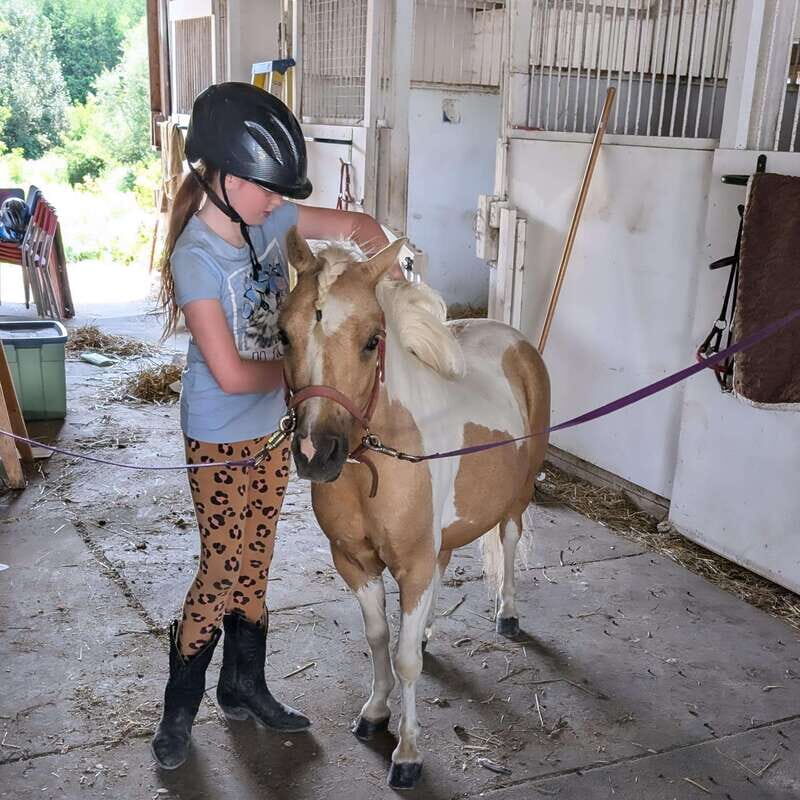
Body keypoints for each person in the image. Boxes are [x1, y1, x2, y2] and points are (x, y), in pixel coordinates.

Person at [151, 81, 401, 769]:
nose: (277, 204)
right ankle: (179, 708)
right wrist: (316, 379)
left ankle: (245, 686)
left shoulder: (261, 219)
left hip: (271, 432)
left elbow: (354, 229)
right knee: (221, 568)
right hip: (219, 433)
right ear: (229, 178)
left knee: (255, 562)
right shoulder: (195, 259)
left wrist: (386, 272)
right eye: (268, 190)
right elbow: (232, 373)